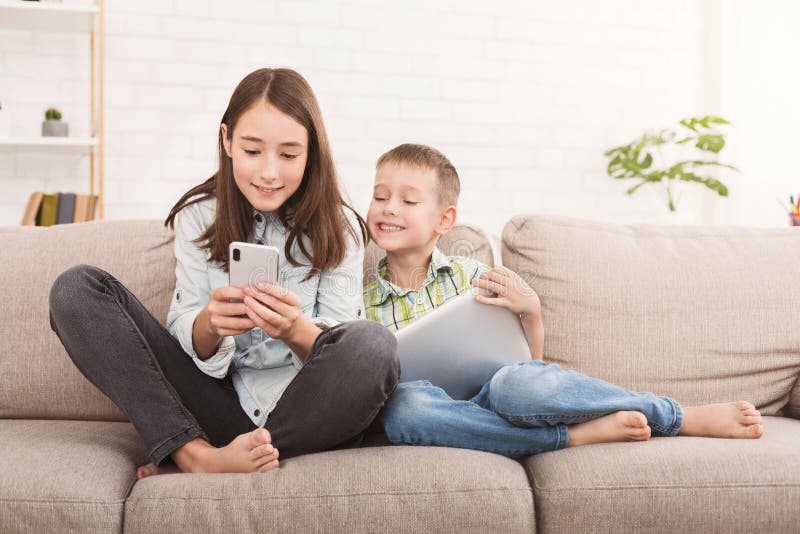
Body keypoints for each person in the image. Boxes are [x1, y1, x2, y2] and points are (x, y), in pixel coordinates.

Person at [48, 68, 399, 480]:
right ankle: (196, 455)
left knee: (374, 346)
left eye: (288, 155)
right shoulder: (199, 216)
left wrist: (294, 329)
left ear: (311, 153)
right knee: (76, 289)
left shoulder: (340, 227)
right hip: (214, 409)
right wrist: (210, 326)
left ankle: (234, 453)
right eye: (253, 151)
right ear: (227, 140)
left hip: (304, 412)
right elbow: (183, 330)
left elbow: (344, 344)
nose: (269, 172)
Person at [363, 143, 763, 457]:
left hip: (498, 397)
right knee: (404, 409)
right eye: (380, 196)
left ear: (444, 220)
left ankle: (677, 415)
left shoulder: (474, 277)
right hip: (440, 415)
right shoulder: (362, 302)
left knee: (515, 386)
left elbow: (528, 365)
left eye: (408, 201)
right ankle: (571, 437)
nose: (389, 208)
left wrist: (531, 312)